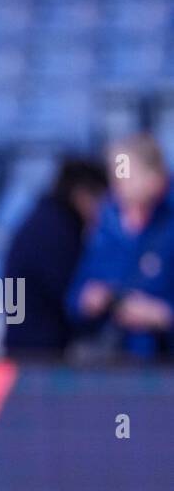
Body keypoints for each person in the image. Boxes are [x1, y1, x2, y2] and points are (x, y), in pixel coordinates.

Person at [67, 134, 174, 361]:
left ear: (155, 177)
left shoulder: (168, 225)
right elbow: (75, 297)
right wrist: (90, 299)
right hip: (113, 361)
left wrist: (160, 315)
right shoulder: (105, 227)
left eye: (126, 172)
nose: (119, 182)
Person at [3, 158, 108, 357]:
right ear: (82, 195)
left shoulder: (44, 220)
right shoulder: (57, 231)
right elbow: (70, 295)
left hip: (25, 342)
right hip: (39, 351)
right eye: (100, 199)